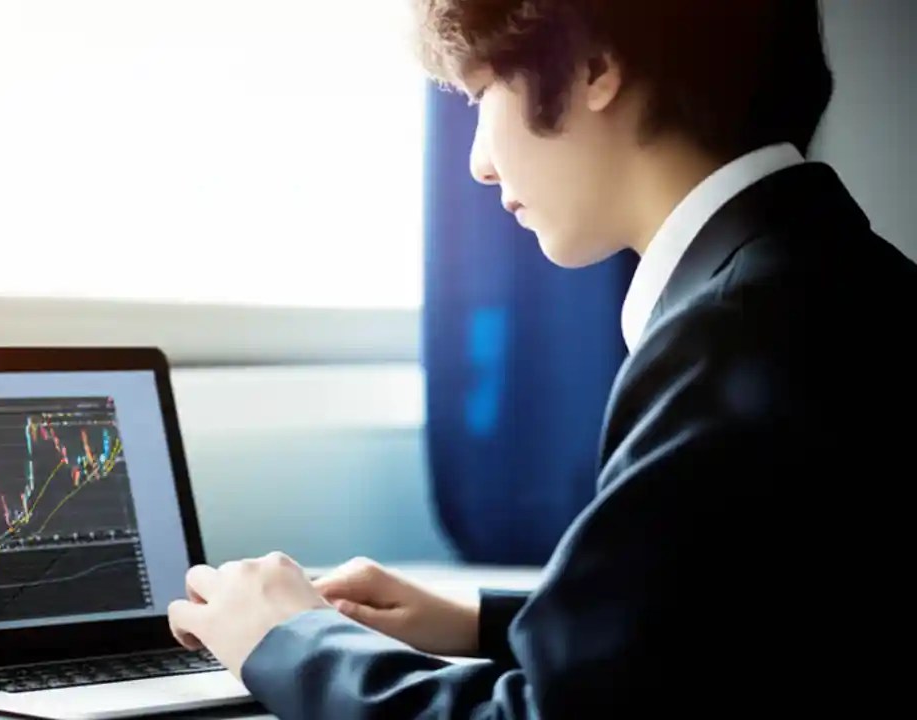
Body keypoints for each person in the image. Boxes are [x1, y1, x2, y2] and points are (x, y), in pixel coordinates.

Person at [168, 0, 917, 716]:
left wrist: (289, 640)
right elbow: (757, 633)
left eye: (483, 93)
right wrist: (483, 621)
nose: (478, 164)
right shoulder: (847, 281)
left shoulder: (727, 337)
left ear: (594, 67)